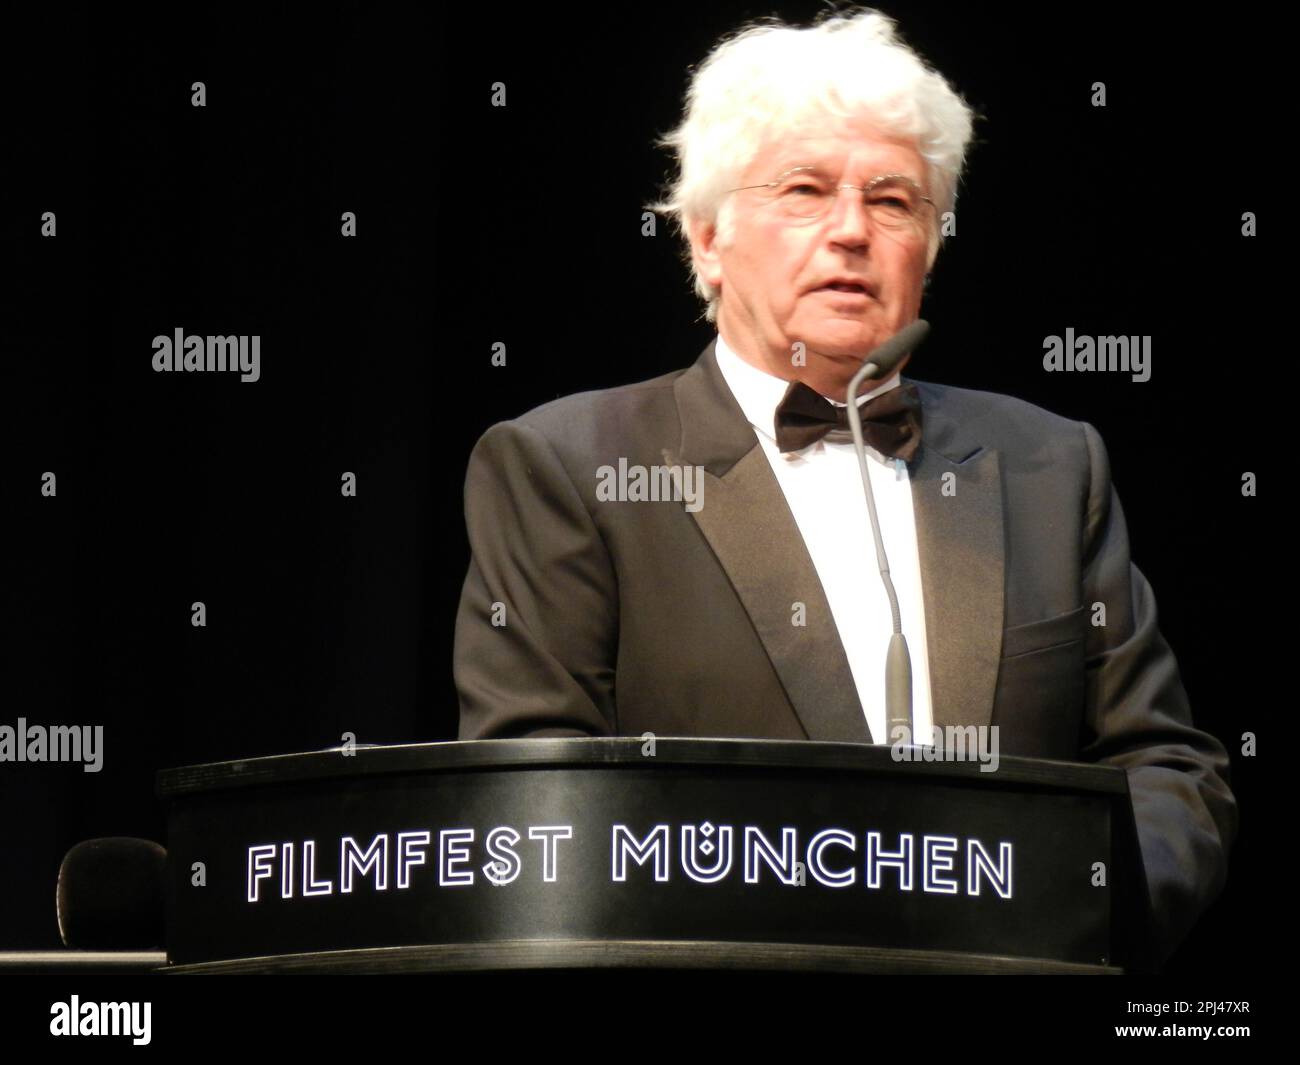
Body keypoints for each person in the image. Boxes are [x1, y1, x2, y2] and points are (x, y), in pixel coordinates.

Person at [452, 8, 1235, 968]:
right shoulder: (567, 466)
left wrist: (1064, 922)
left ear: (931, 244)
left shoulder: (1050, 463)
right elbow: (539, 815)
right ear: (705, 239)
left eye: (894, 200)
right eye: (804, 190)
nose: (853, 231)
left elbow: (1167, 769)